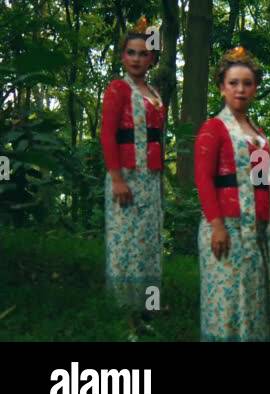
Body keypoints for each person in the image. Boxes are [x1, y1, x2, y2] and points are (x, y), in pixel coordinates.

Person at [194, 47, 270, 342]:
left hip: (255, 231)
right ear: (222, 87)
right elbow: (203, 180)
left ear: (255, 87)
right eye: (233, 83)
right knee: (227, 300)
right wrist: (217, 226)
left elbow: (265, 181)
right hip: (226, 229)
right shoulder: (213, 128)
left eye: (247, 83)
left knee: (253, 297)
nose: (240, 90)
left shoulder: (260, 135)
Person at [100, 17, 165, 338]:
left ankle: (149, 308)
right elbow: (107, 135)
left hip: (151, 180)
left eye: (143, 53)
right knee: (126, 244)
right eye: (131, 53)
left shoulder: (154, 93)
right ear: (123, 56)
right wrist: (116, 179)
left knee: (149, 244)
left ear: (152, 58)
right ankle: (125, 312)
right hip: (124, 176)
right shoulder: (117, 89)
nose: (137, 59)